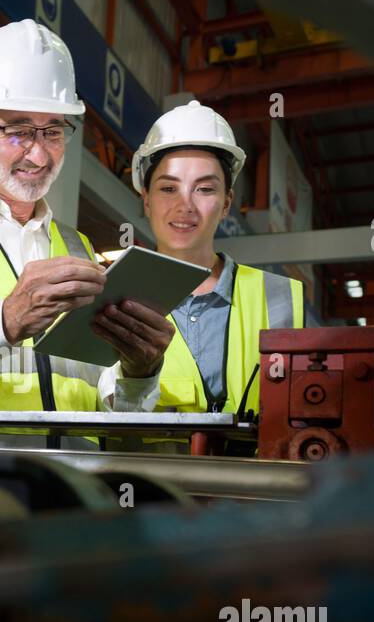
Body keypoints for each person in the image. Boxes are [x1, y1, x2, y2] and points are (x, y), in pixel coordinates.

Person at [0, 19, 175, 449]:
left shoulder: (79, 248)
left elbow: (118, 414)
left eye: (52, 130)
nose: (39, 152)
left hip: (75, 489)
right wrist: (5, 321)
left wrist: (140, 372)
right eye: (20, 130)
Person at [99, 100, 304, 435]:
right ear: (146, 199)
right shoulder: (109, 292)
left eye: (205, 189)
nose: (185, 206)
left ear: (226, 204)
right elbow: (98, 415)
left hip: (250, 487)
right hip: (141, 485)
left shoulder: (278, 297)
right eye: (168, 188)